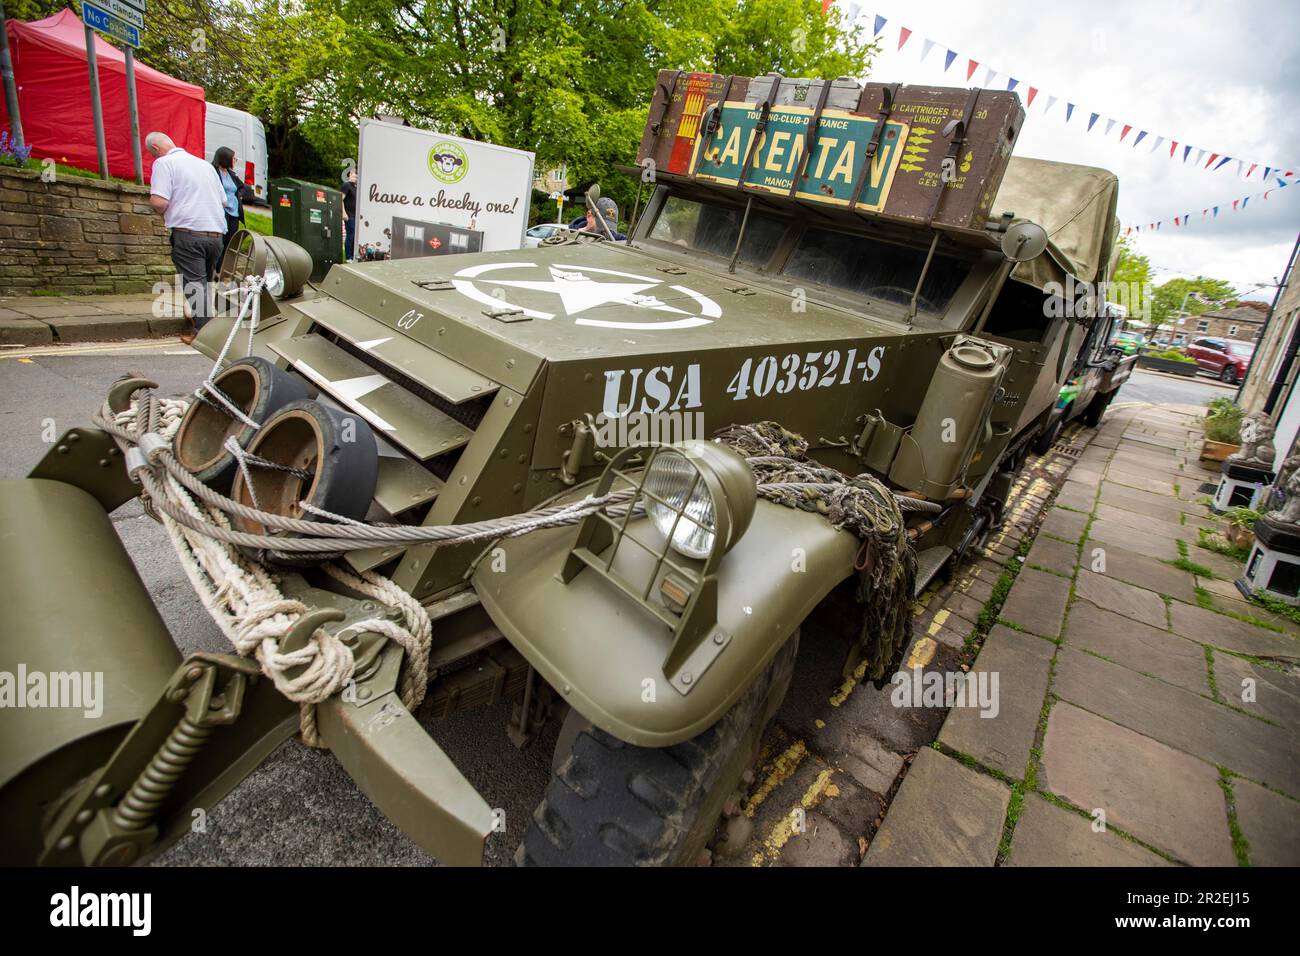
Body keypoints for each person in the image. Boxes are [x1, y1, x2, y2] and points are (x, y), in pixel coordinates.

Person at [146, 131, 227, 343]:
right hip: (216, 235)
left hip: (189, 234)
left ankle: (206, 337)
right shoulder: (205, 165)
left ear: (155, 148)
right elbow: (224, 201)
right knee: (205, 284)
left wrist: (162, 210)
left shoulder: (164, 163)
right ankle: (205, 321)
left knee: (195, 285)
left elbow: (159, 202)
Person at [212, 146, 251, 250]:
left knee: (230, 244)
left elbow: (243, 188)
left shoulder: (231, 174)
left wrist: (239, 196)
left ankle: (225, 266)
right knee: (220, 244)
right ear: (226, 158)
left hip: (234, 214)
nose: (235, 161)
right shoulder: (212, 172)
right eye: (234, 158)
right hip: (220, 213)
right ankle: (216, 266)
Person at [342, 166, 358, 261]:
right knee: (350, 236)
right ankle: (348, 257)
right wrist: (344, 214)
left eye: (356, 175)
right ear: (349, 175)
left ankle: (353, 256)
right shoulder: (346, 185)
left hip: (356, 216)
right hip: (349, 215)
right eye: (353, 174)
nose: (355, 176)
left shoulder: (356, 188)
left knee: (354, 236)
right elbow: (341, 199)